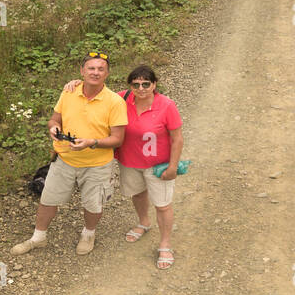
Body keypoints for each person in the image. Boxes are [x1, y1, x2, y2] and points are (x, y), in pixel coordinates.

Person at [12, 53, 128, 256]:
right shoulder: (69, 92)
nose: (95, 72)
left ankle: (88, 234)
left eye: (101, 69)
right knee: (48, 199)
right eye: (91, 68)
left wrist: (91, 143)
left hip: (97, 164)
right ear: (82, 71)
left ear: (107, 73)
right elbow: (54, 119)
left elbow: (118, 139)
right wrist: (54, 128)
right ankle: (38, 238)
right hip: (64, 159)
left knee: (93, 204)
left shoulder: (115, 102)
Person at [114, 64, 183, 268]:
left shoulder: (167, 105)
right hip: (129, 161)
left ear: (154, 84)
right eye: (136, 84)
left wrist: (173, 166)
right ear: (130, 86)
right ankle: (144, 222)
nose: (141, 88)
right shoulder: (122, 99)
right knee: (138, 193)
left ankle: (165, 244)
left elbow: (177, 139)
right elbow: (98, 93)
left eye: (146, 83)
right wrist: (73, 84)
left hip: (157, 165)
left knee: (162, 204)